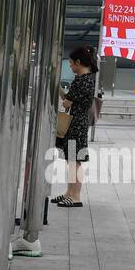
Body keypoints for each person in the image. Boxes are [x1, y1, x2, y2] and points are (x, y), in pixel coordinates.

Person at [52, 46, 98, 208]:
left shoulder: (82, 80)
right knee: (72, 160)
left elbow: (67, 101)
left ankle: (75, 196)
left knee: (74, 161)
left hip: (76, 124)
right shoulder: (89, 78)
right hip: (79, 123)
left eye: (71, 63)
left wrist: (62, 94)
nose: (70, 66)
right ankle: (69, 193)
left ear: (78, 62)